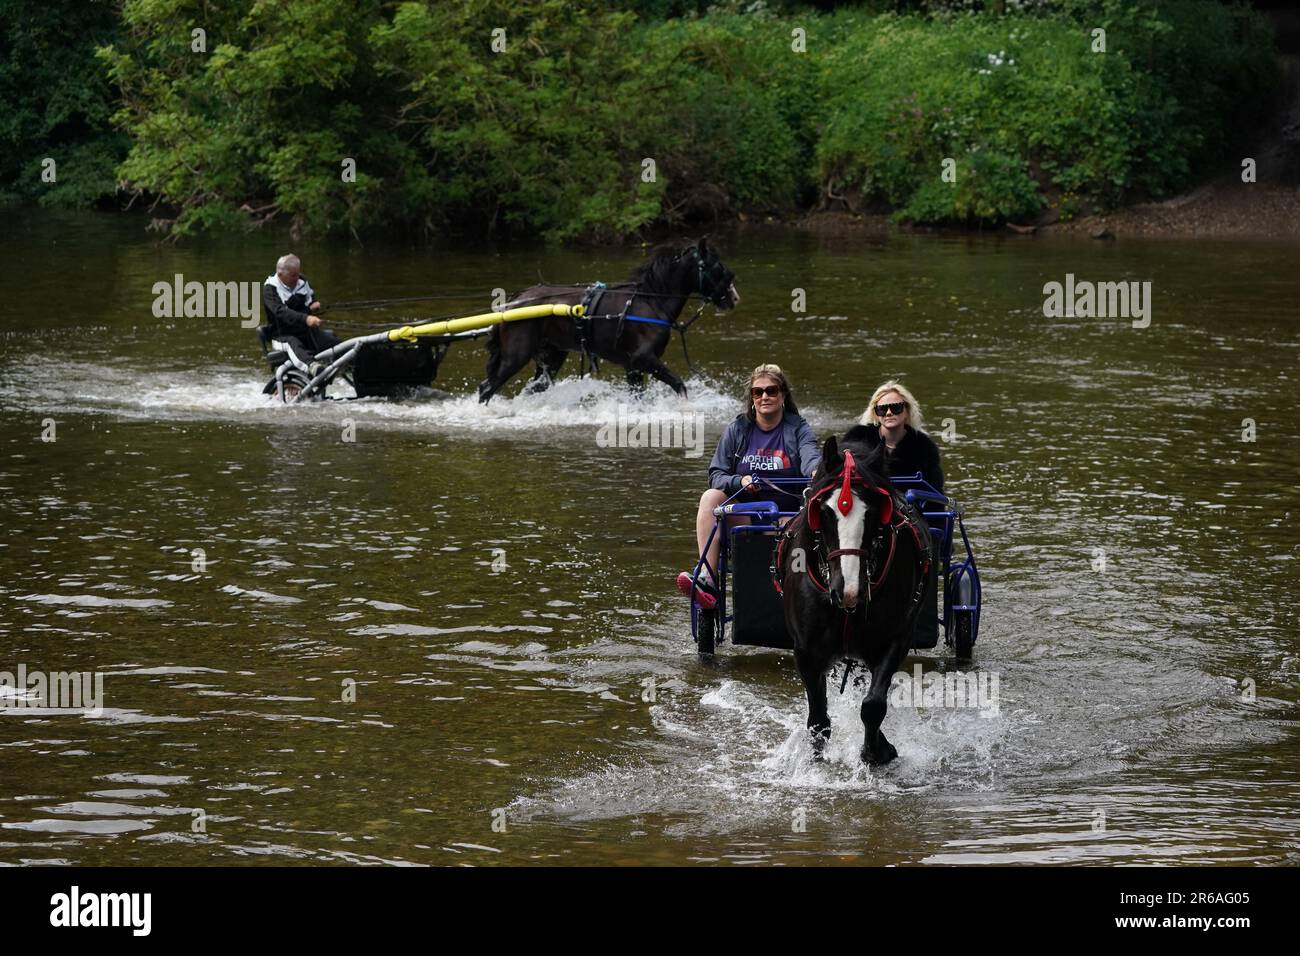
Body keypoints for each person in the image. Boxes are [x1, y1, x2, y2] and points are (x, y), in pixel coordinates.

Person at [676, 363, 820, 609]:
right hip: (745, 518)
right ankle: (707, 580)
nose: (765, 396)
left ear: (783, 394)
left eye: (771, 390)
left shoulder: (798, 428)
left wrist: (817, 471)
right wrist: (738, 481)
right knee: (711, 497)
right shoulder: (738, 429)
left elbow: (811, 457)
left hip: (787, 518)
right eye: (758, 392)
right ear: (752, 398)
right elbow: (716, 474)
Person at [842, 380, 944, 492]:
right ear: (875, 413)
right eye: (882, 409)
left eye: (896, 407)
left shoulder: (925, 447)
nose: (889, 413)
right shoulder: (856, 438)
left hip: (911, 507)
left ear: (907, 410)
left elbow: (935, 492)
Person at [261, 254, 341, 363]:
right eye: (293, 276)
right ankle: (312, 367)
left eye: (298, 274)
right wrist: (306, 318)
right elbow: (280, 312)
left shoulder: (301, 280)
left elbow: (310, 297)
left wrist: (314, 304)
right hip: (283, 336)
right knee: (294, 344)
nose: (297, 278)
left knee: (340, 347)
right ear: (280, 274)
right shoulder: (270, 290)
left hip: (305, 331)